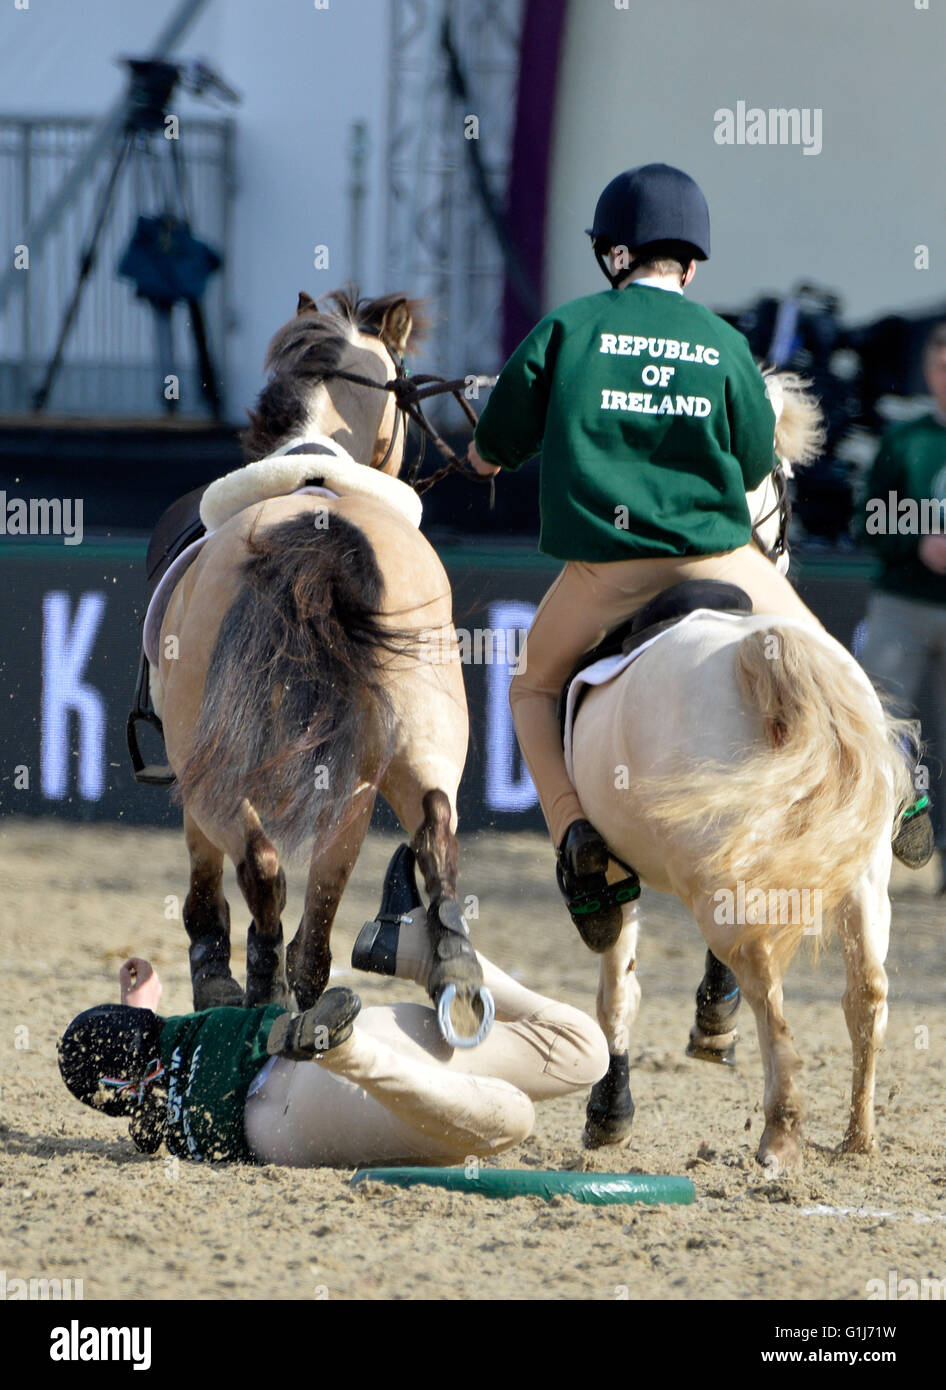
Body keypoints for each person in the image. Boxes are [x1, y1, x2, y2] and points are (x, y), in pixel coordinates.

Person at [467, 162, 825, 944]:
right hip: (720, 558)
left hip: (610, 573)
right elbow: (759, 449)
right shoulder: (725, 341)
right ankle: (900, 783)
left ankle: (575, 838)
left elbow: (499, 434)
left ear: (613, 255)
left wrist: (486, 460)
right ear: (691, 263)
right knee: (823, 656)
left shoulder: (570, 326)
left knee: (530, 688)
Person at [58, 847, 609, 1167]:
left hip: (312, 1111)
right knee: (583, 1052)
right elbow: (143, 1036)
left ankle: (348, 1049)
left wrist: (133, 1020)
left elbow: (135, 1083)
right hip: (339, 1045)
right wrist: (137, 1000)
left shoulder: (156, 1116)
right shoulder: (183, 1031)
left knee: (524, 1108)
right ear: (143, 1023)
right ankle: (416, 948)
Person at [858, 321, 946, 883]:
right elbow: (868, 521)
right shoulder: (905, 440)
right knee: (877, 731)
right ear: (930, 371)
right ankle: (864, 858)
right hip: (903, 605)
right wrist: (918, 541)